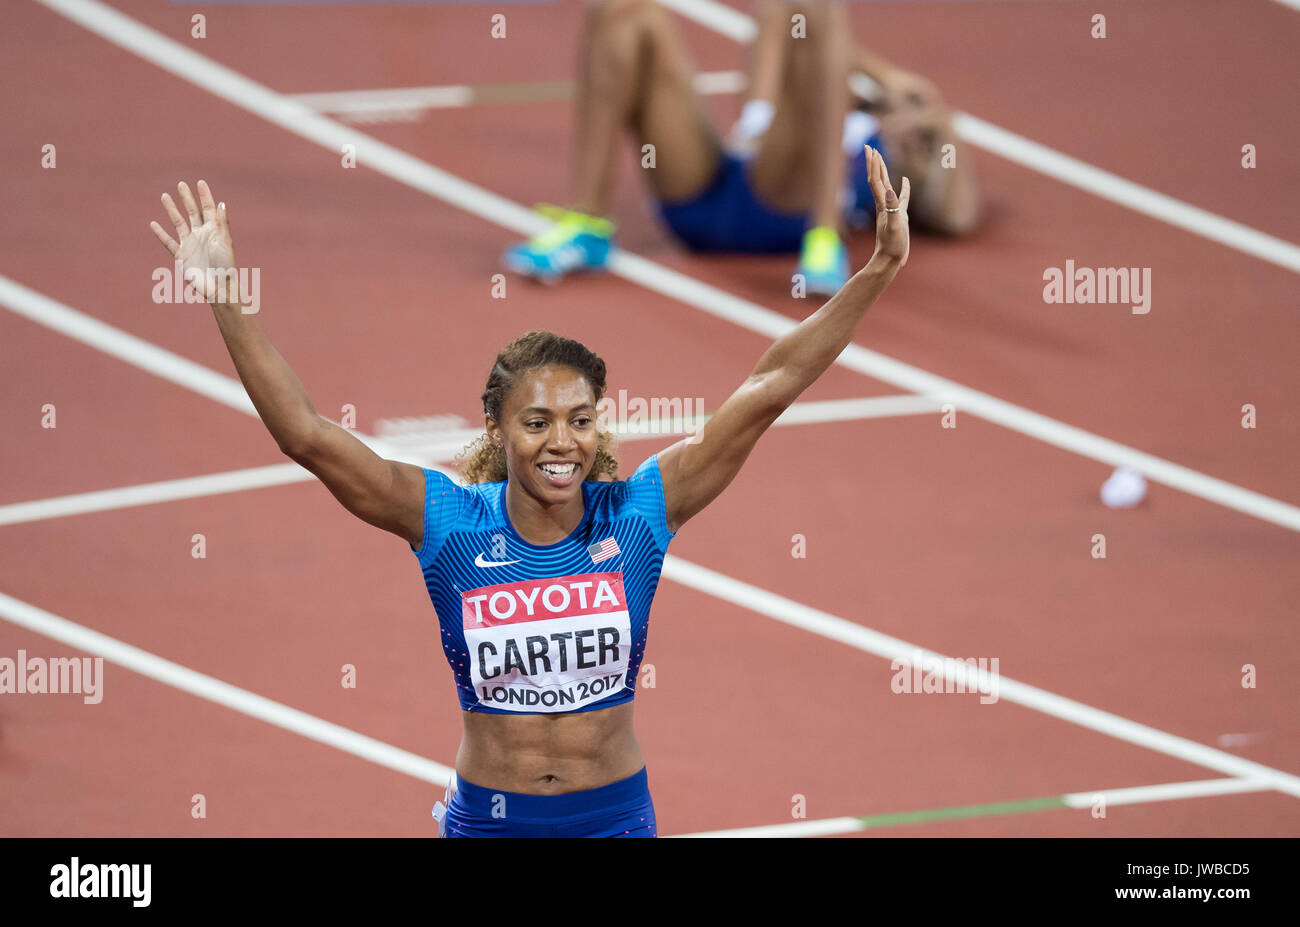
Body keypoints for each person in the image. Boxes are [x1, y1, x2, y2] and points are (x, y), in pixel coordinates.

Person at [147, 152, 908, 836]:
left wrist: (875, 272)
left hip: (611, 815)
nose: (562, 442)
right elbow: (306, 435)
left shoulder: (639, 513)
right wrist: (224, 295)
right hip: (490, 821)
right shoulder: (446, 521)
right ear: (497, 427)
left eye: (580, 420)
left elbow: (766, 389)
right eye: (538, 422)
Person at [503, 0, 975, 296]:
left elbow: (956, 216)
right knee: (622, 8)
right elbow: (786, 21)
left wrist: (938, 119)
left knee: (816, 9)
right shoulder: (830, 81)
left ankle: (824, 239)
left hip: (787, 209)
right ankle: (587, 226)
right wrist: (886, 78)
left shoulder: (890, 145)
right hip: (712, 192)